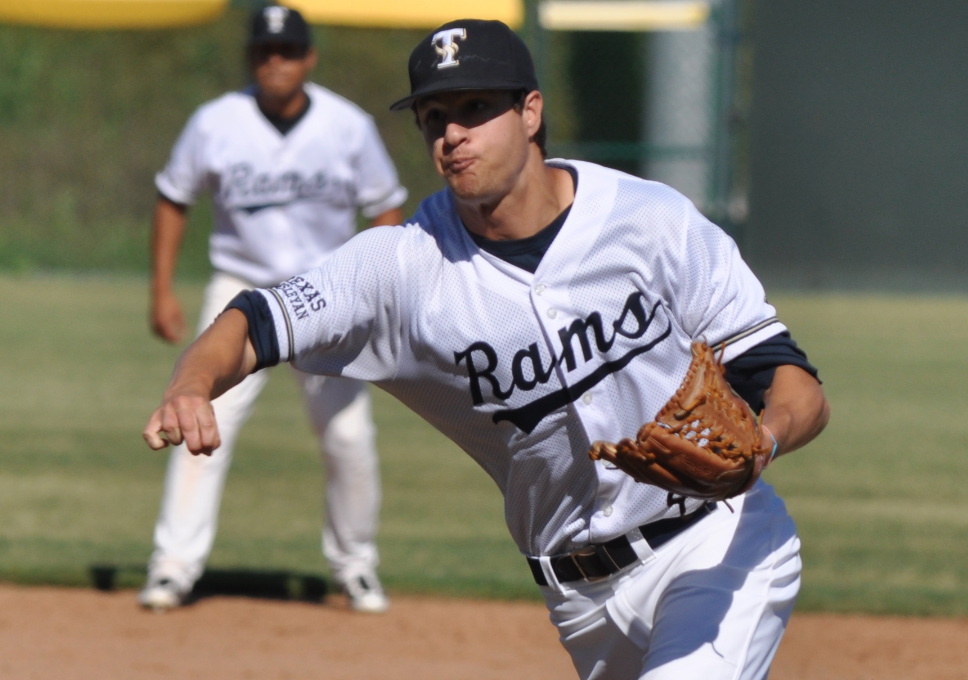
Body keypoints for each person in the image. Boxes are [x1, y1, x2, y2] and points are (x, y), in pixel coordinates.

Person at [143, 17, 830, 679]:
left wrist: (760, 446)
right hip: (580, 598)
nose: (453, 134)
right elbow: (257, 318)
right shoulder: (402, 268)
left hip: (719, 546)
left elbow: (792, 384)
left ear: (531, 112)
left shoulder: (648, 219)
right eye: (434, 118)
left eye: (476, 108)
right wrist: (192, 383)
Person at [139, 4, 407, 614]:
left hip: (328, 293)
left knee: (346, 436)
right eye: (264, 51)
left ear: (308, 58)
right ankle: (173, 566)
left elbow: (386, 207)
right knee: (200, 424)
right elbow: (172, 197)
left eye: (286, 52)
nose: (275, 62)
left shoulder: (348, 125)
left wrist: (379, 289)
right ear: (251, 58)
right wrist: (160, 290)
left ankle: (356, 565)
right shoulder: (216, 123)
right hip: (240, 292)